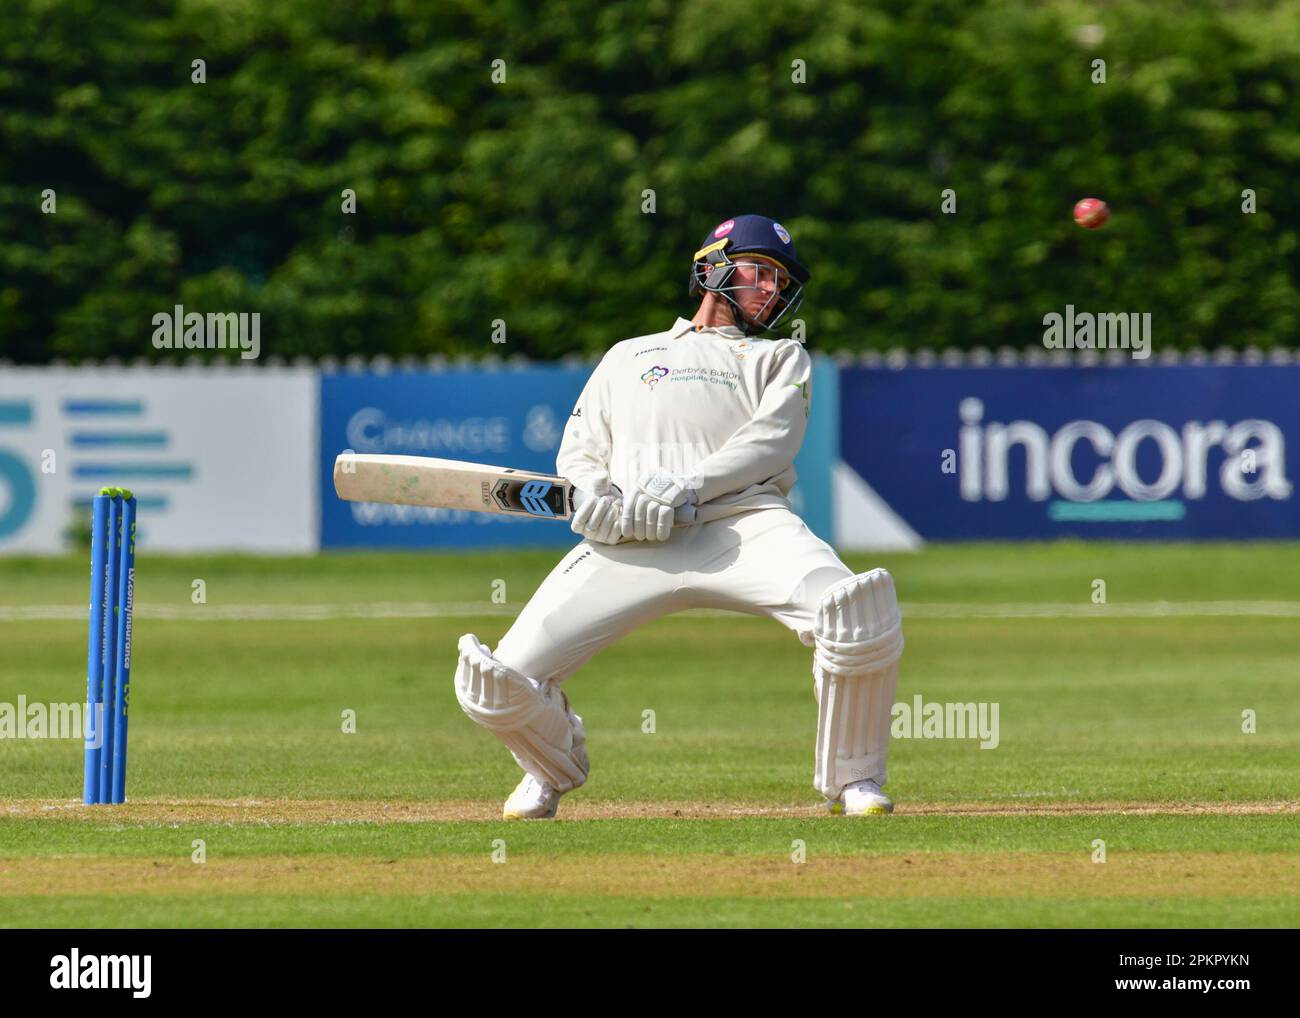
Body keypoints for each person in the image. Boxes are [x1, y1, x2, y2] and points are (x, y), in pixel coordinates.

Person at [453, 214, 904, 819]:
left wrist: (685, 484)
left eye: (780, 281)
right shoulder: (628, 355)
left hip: (744, 526)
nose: (771, 290)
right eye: (760, 271)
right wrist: (594, 500)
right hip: (630, 545)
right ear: (713, 264)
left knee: (857, 613)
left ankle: (854, 781)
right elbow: (582, 448)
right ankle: (548, 768)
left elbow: (771, 442)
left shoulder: (779, 357)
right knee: (493, 683)